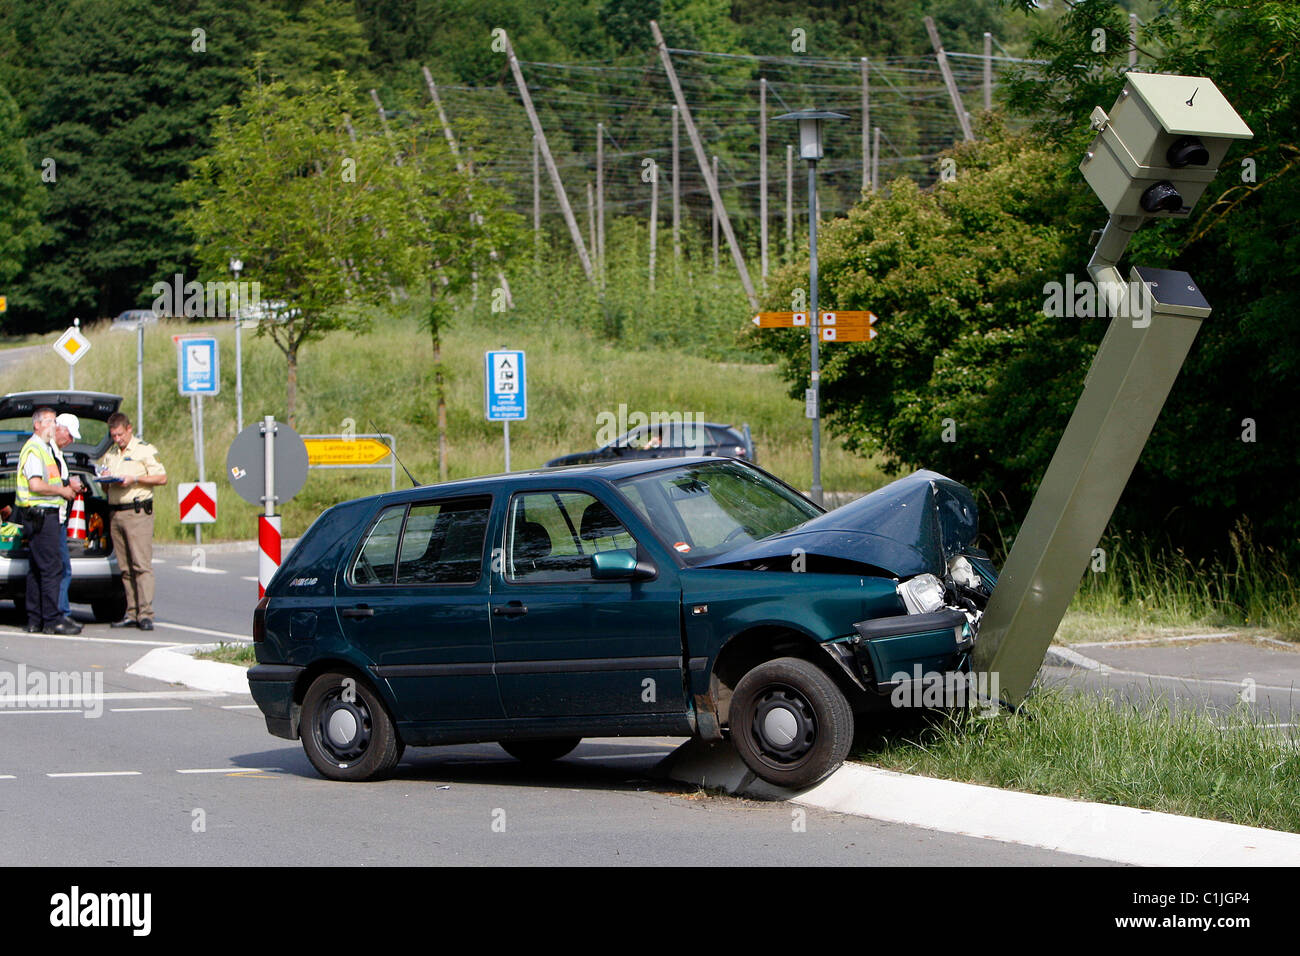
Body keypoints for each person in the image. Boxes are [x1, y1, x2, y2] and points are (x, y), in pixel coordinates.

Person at [98, 412, 166, 630]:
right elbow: (105, 487)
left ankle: (146, 613)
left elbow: (161, 477)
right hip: (116, 513)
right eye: (113, 436)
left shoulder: (144, 450)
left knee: (141, 565)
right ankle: (131, 612)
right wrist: (106, 479)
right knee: (125, 568)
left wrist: (135, 478)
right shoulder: (111, 454)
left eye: (120, 435)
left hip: (137, 513)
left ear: (129, 429)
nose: (117, 439)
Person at [17, 408, 79, 634]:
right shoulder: (35, 449)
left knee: (36, 568)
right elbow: (35, 485)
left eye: (55, 422)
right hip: (43, 515)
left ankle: (35, 619)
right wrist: (62, 491)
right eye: (50, 422)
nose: (54, 426)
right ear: (37, 425)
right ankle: (53, 620)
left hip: (42, 515)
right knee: (52, 568)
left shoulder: (44, 449)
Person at [52, 413, 86, 634]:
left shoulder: (56, 453)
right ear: (60, 429)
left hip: (57, 518)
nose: (72, 440)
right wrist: (68, 485)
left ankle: (57, 614)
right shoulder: (48, 453)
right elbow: (49, 482)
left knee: (60, 569)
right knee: (62, 570)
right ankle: (60, 615)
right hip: (51, 518)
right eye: (70, 435)